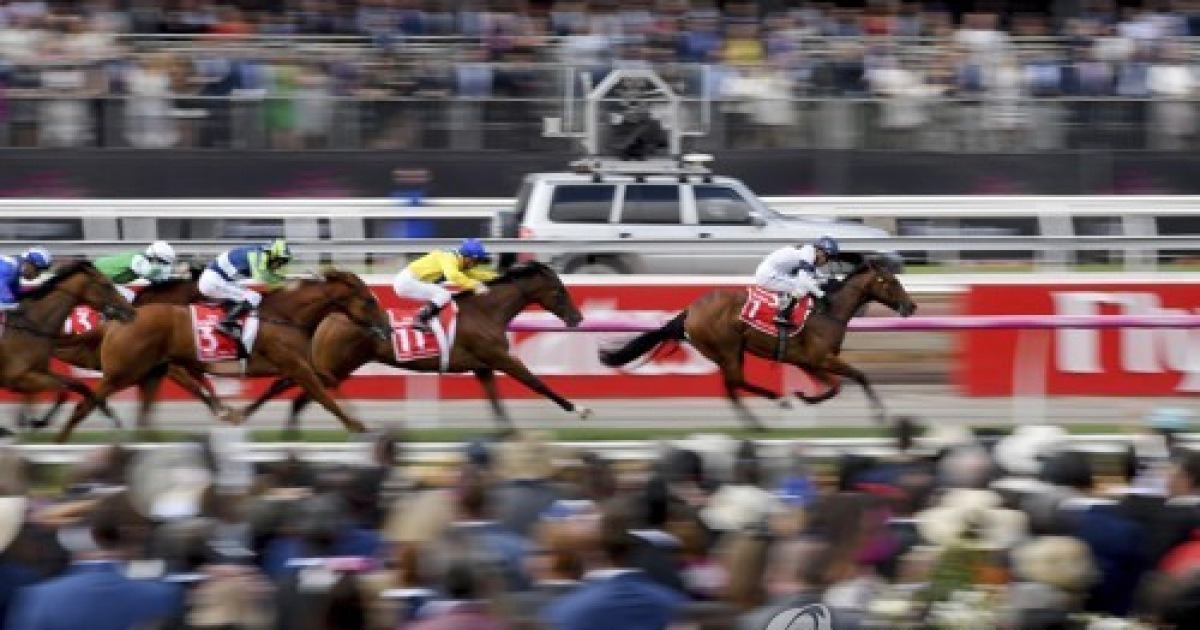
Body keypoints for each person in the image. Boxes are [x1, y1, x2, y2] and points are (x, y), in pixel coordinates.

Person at [393, 237, 497, 332]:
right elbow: (453, 275)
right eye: (475, 261)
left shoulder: (459, 262)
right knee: (444, 295)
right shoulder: (449, 257)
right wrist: (476, 285)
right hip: (407, 281)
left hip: (411, 281)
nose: (476, 264)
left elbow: (476, 274)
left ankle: (429, 318)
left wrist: (498, 277)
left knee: (449, 294)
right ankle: (420, 319)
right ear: (467, 257)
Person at [198, 238, 292, 338]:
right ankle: (226, 322)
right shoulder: (257, 255)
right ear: (272, 254)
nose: (278, 265)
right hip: (213, 281)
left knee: (251, 293)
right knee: (254, 296)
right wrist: (282, 284)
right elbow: (260, 285)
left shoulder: (259, 254)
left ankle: (231, 314)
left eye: (282, 262)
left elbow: (264, 282)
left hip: (217, 279)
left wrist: (281, 282)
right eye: (279, 261)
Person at [753, 236, 839, 326]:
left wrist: (828, 280)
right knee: (802, 286)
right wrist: (822, 296)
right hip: (768, 276)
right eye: (828, 258)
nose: (827, 262)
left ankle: (784, 309)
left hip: (772, 273)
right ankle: (782, 315)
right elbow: (805, 280)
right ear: (821, 252)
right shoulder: (808, 254)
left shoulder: (809, 251)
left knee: (807, 284)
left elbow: (815, 274)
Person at [93, 240, 177, 302]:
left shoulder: (144, 261)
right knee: (131, 298)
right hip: (96, 278)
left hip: (104, 279)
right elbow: (149, 272)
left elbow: (158, 280)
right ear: (154, 257)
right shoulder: (138, 259)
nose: (163, 266)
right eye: (163, 262)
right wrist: (175, 270)